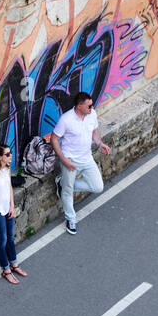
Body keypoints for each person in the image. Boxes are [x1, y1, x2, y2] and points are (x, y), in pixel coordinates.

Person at [49, 91, 113, 234]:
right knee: (67, 191)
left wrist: (99, 143)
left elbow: (94, 132)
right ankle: (71, 218)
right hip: (70, 160)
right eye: (89, 106)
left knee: (97, 187)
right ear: (79, 106)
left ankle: (62, 183)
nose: (92, 108)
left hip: (87, 158)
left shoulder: (92, 115)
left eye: (92, 105)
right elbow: (54, 139)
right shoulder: (66, 120)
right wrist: (63, 159)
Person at [0, 144, 28, 285]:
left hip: (5, 207)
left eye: (10, 153)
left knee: (10, 236)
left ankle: (14, 264)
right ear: (0, 157)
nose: (10, 155)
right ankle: (5, 269)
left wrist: (12, 205)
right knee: (2, 240)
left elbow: (9, 186)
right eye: (8, 154)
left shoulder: (7, 169)